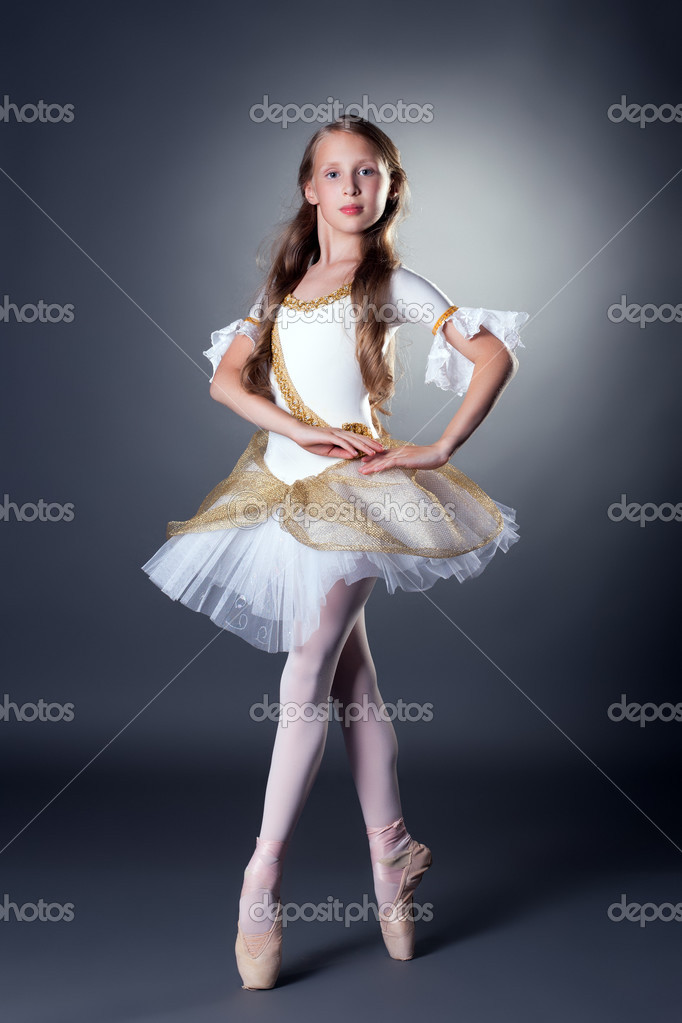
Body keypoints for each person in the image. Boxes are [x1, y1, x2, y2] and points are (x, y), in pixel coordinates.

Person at [141, 114, 529, 990]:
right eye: (336, 173)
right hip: (280, 492)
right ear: (310, 188)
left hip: (355, 497)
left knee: (308, 665)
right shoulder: (284, 286)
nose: (353, 187)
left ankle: (262, 874)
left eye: (371, 173)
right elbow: (224, 380)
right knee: (353, 679)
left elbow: (492, 354)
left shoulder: (392, 282)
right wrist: (297, 428)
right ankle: (392, 857)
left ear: (388, 190)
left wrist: (436, 449)